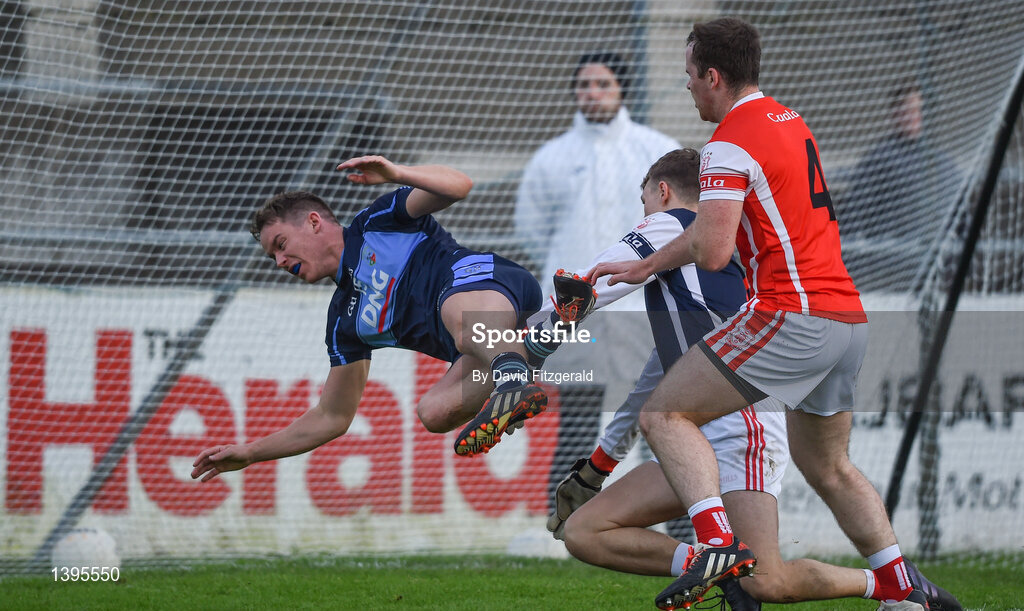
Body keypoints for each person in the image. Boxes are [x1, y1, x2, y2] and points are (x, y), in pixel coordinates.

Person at [589, 18, 941, 611]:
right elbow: (712, 231)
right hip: (846, 319)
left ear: (714, 76)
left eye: (690, 79)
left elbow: (716, 249)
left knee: (664, 413)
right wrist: (649, 266)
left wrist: (665, 253)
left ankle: (718, 545)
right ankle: (902, 589)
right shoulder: (788, 118)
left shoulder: (728, 143)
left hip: (790, 315)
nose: (690, 91)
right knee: (827, 467)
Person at [539, 149, 962, 611]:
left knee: (770, 582)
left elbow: (601, 275)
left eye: (643, 201)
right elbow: (655, 379)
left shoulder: (674, 220)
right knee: (585, 531)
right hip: (689, 438)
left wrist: (528, 341)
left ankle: (886, 586)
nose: (643, 214)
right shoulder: (699, 263)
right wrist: (600, 463)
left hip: (741, 429)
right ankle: (725, 569)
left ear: (661, 191)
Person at [190, 155, 567, 484]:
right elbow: (332, 417)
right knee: (434, 413)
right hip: (486, 341)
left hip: (485, 282)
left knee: (465, 325)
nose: (279, 263)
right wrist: (252, 453)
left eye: (281, 245)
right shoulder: (343, 322)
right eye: (272, 258)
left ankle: (516, 380)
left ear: (314, 222)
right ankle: (535, 342)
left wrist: (396, 172)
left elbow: (459, 186)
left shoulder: (377, 221)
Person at [515, 50, 682, 511]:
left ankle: (685, 534)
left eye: (602, 84)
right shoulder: (553, 156)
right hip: (578, 313)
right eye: (584, 85)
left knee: (659, 418)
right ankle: (564, 525)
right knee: (577, 418)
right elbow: (531, 228)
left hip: (643, 309)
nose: (592, 93)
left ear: (621, 89)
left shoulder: (655, 149)